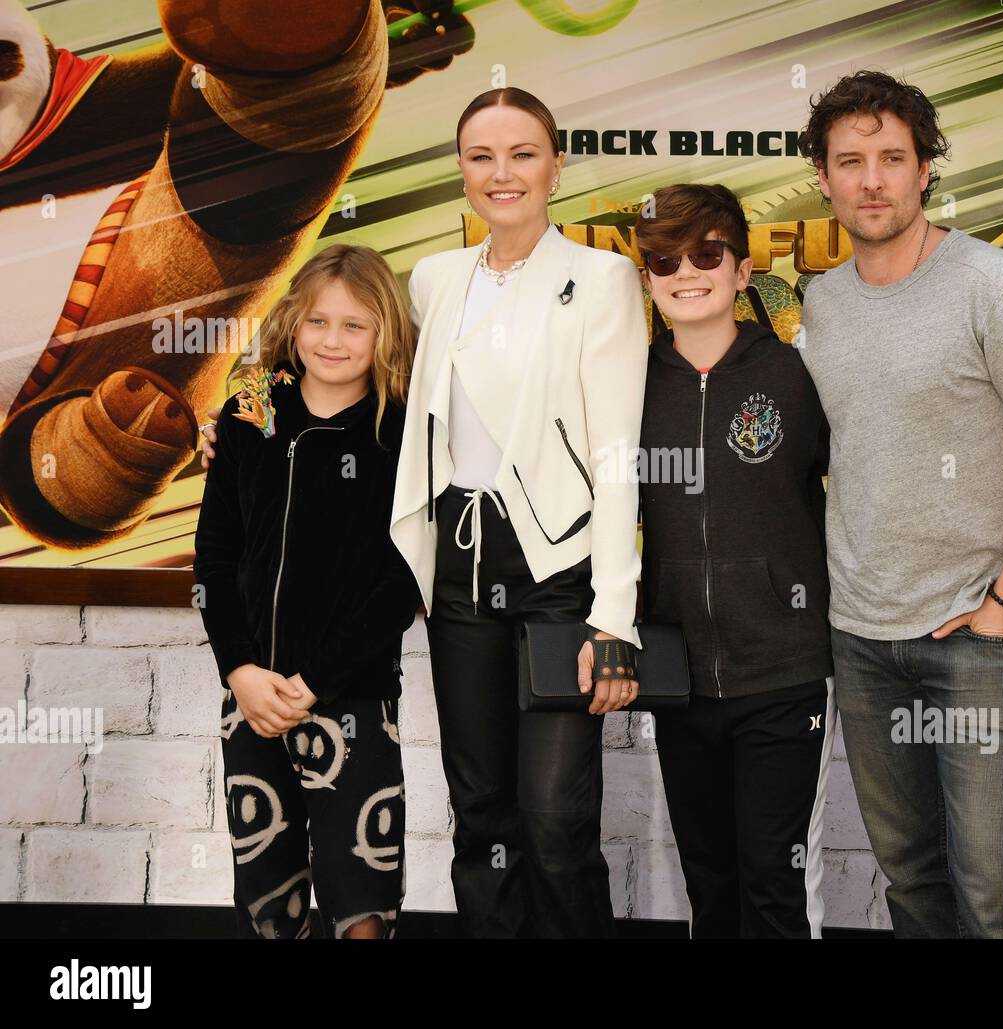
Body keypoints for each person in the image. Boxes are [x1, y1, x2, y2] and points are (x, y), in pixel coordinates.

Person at [796, 70, 1003, 938]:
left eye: (892, 159)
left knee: (995, 895)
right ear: (823, 178)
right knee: (912, 884)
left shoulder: (998, 288)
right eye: (850, 161)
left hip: (983, 640)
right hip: (863, 637)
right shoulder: (822, 303)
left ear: (925, 168)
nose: (872, 181)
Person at [389, 87, 648, 938]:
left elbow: (616, 455)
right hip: (458, 573)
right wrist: (245, 421)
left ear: (556, 166)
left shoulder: (602, 278)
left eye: (523, 154)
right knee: (481, 812)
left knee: (555, 818)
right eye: (482, 156)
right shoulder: (435, 278)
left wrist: (614, 617)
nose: (502, 173)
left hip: (557, 573)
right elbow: (350, 363)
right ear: (462, 169)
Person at [193, 243, 422, 939]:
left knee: (363, 895)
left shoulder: (401, 427)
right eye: (318, 321)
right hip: (253, 698)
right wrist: (240, 670)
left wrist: (316, 680)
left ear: (386, 332)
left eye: (355, 325)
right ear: (294, 322)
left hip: (354, 698)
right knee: (269, 894)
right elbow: (215, 559)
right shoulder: (252, 410)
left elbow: (400, 583)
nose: (332, 340)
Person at [634, 183, 837, 937]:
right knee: (709, 887)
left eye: (707, 254)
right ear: (647, 278)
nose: (686, 273)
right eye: (665, 261)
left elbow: (870, 482)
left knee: (776, 890)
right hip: (678, 675)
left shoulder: (795, 374)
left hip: (785, 670)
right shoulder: (627, 383)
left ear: (742, 270)